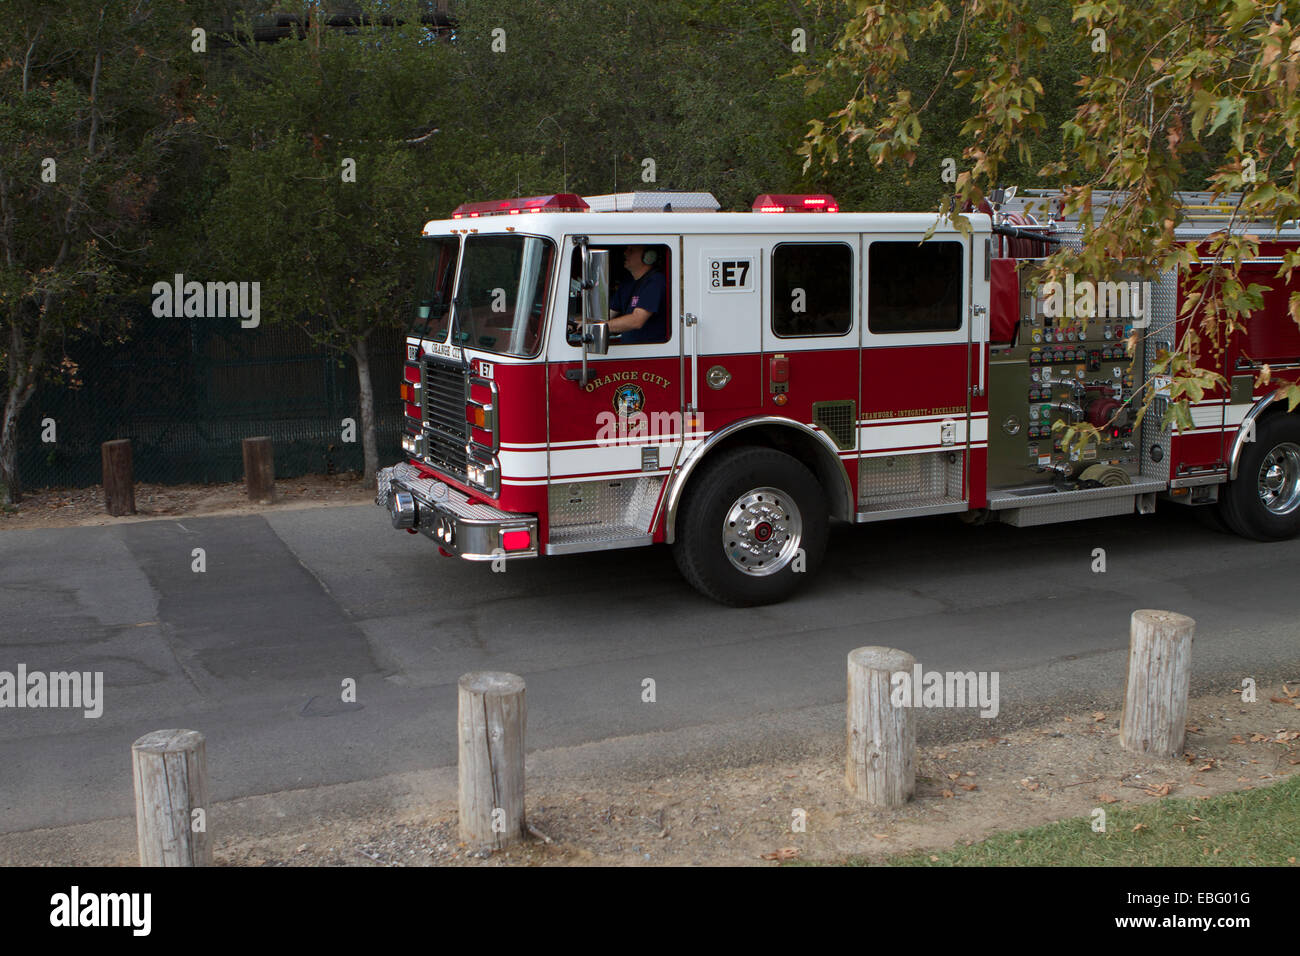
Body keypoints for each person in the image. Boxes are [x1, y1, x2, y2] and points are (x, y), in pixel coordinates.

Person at [606, 245, 667, 344]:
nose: (625, 253)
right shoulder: (627, 283)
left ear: (649, 256)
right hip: (630, 350)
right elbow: (608, 314)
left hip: (649, 353)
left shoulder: (656, 282)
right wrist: (584, 322)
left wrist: (598, 327)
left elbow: (637, 320)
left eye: (631, 250)